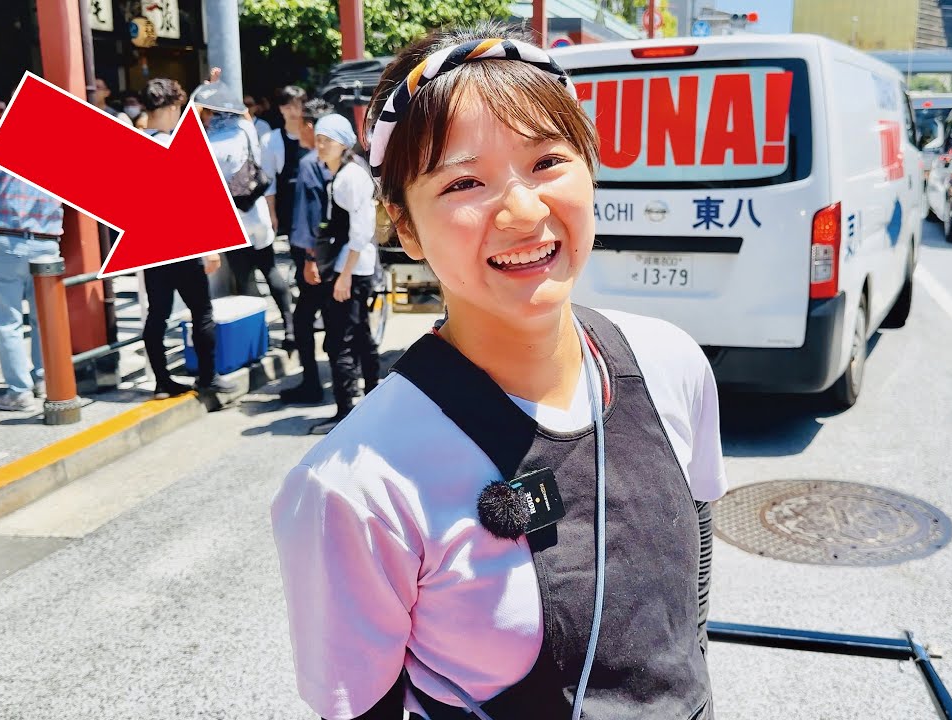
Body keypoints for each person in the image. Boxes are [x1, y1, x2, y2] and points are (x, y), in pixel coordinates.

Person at [271, 23, 726, 720]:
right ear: (408, 226)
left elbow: (689, 589)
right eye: (464, 181)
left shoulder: (671, 365)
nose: (522, 211)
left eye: (547, 162)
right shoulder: (356, 488)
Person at [139, 78, 236, 400]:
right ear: (170, 108)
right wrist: (209, 248)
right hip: (182, 245)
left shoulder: (135, 142)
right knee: (201, 312)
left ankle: (162, 381)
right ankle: (208, 378)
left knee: (157, 314)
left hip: (150, 246)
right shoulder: (176, 146)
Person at [195, 81, 296, 351]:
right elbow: (244, 117)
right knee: (271, 269)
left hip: (230, 218)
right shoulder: (246, 128)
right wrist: (218, 87)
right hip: (257, 210)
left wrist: (205, 91)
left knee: (245, 278)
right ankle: (289, 328)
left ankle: (257, 335)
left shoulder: (204, 141)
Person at [296, 113, 380, 435]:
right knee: (358, 335)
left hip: (351, 269)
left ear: (342, 143)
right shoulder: (344, 174)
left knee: (340, 340)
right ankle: (370, 402)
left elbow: (360, 230)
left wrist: (344, 275)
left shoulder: (348, 178)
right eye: (317, 139)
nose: (320, 146)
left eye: (327, 140)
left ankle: (346, 411)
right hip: (353, 266)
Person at [0, 150, 66, 410]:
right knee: (44, 318)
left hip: (6, 241)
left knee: (8, 320)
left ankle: (19, 392)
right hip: (47, 243)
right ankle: (44, 380)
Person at [278, 98, 336, 405]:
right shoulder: (344, 159)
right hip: (338, 254)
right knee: (334, 318)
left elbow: (309, 214)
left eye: (301, 124)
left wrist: (310, 259)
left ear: (311, 127)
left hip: (314, 256)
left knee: (302, 321)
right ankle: (344, 386)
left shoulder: (309, 162)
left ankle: (312, 384)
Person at [260, 85, 309, 238]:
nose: (293, 112)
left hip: (314, 200)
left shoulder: (316, 137)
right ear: (281, 109)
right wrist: (271, 213)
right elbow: (269, 181)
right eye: (288, 107)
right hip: (289, 205)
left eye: (297, 106)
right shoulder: (270, 140)